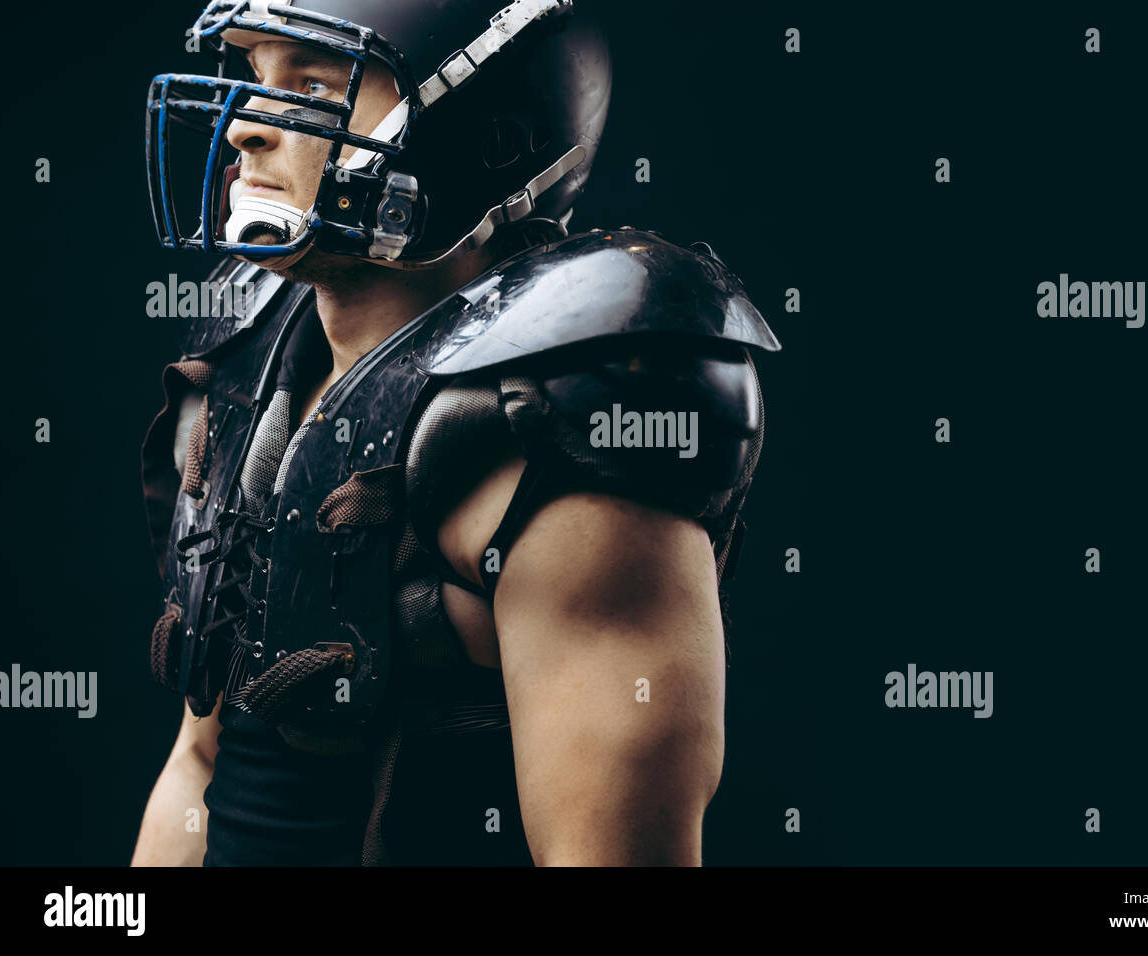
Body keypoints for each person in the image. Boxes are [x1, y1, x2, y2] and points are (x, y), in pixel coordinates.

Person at [132, 0, 779, 867]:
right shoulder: (256, 370)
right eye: (257, 82)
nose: (248, 125)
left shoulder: (543, 432)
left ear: (482, 137)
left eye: (317, 85)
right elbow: (200, 765)